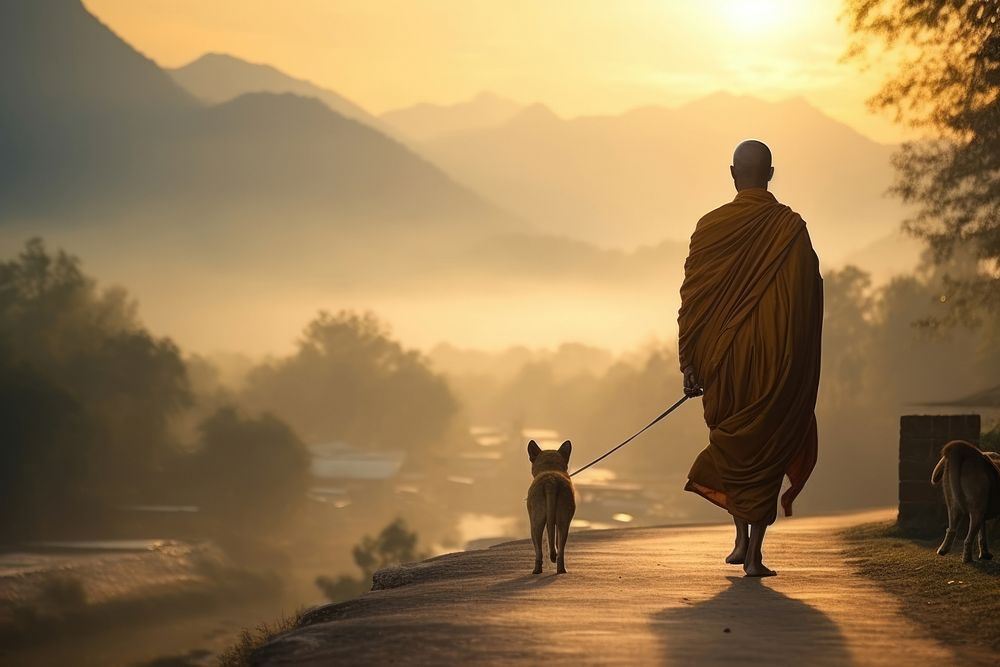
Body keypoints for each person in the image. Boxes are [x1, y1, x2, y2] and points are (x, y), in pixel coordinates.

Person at [677, 140, 823, 577]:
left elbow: (692, 303)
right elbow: (808, 300)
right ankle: (752, 549)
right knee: (765, 449)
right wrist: (797, 366)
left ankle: (742, 540)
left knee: (736, 445)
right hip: (777, 362)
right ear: (771, 173)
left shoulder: (710, 227)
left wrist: (689, 362)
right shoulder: (791, 229)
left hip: (724, 362)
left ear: (732, 173)